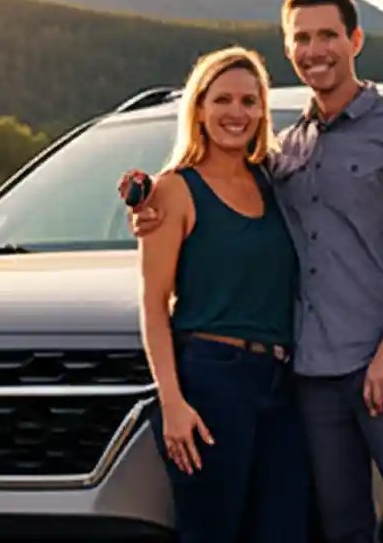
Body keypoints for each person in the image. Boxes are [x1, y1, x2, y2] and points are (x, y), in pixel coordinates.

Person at [123, 0, 383, 543]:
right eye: (301, 38)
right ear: (289, 49)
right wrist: (144, 203)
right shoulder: (290, 152)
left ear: (354, 40)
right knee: (335, 526)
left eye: (328, 35)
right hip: (308, 374)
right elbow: (195, 249)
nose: (315, 49)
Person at [130, 45, 311, 543]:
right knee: (213, 532)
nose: (237, 113)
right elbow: (153, 304)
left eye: (249, 102)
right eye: (223, 100)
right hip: (212, 382)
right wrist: (172, 402)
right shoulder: (174, 190)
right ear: (200, 108)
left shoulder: (274, 183)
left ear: (262, 111)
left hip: (282, 382)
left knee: (285, 532)